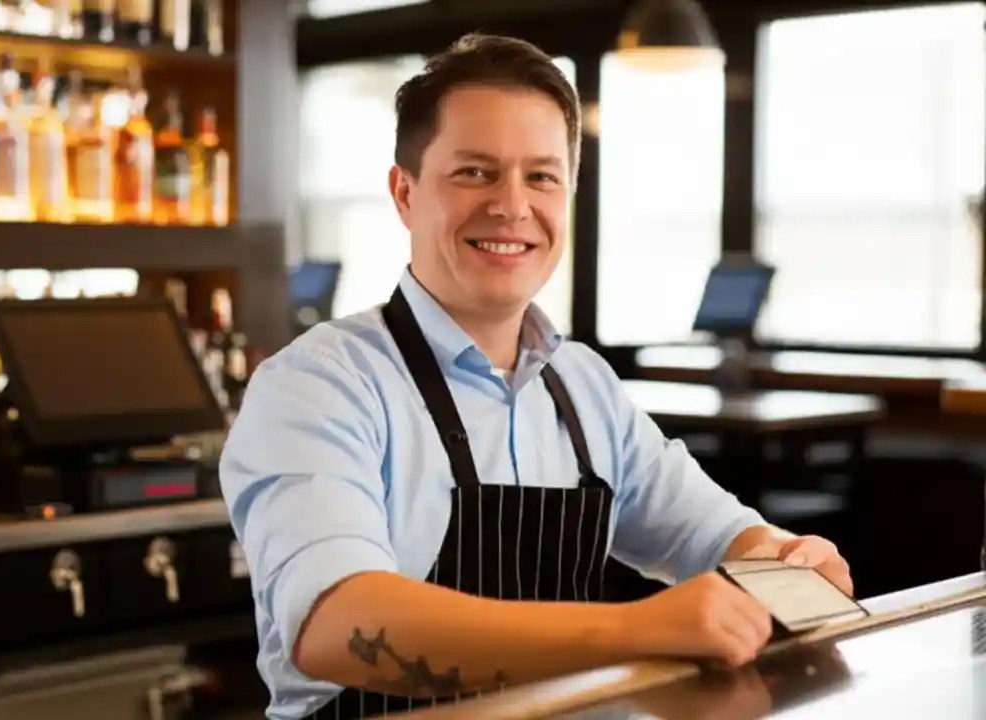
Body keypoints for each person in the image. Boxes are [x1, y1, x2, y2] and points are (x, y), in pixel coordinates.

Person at [219, 33, 852, 720]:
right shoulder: (319, 383)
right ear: (405, 193)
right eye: (474, 172)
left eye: (542, 176)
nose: (512, 206)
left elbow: (711, 534)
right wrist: (635, 629)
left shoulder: (584, 386)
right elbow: (337, 625)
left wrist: (786, 560)